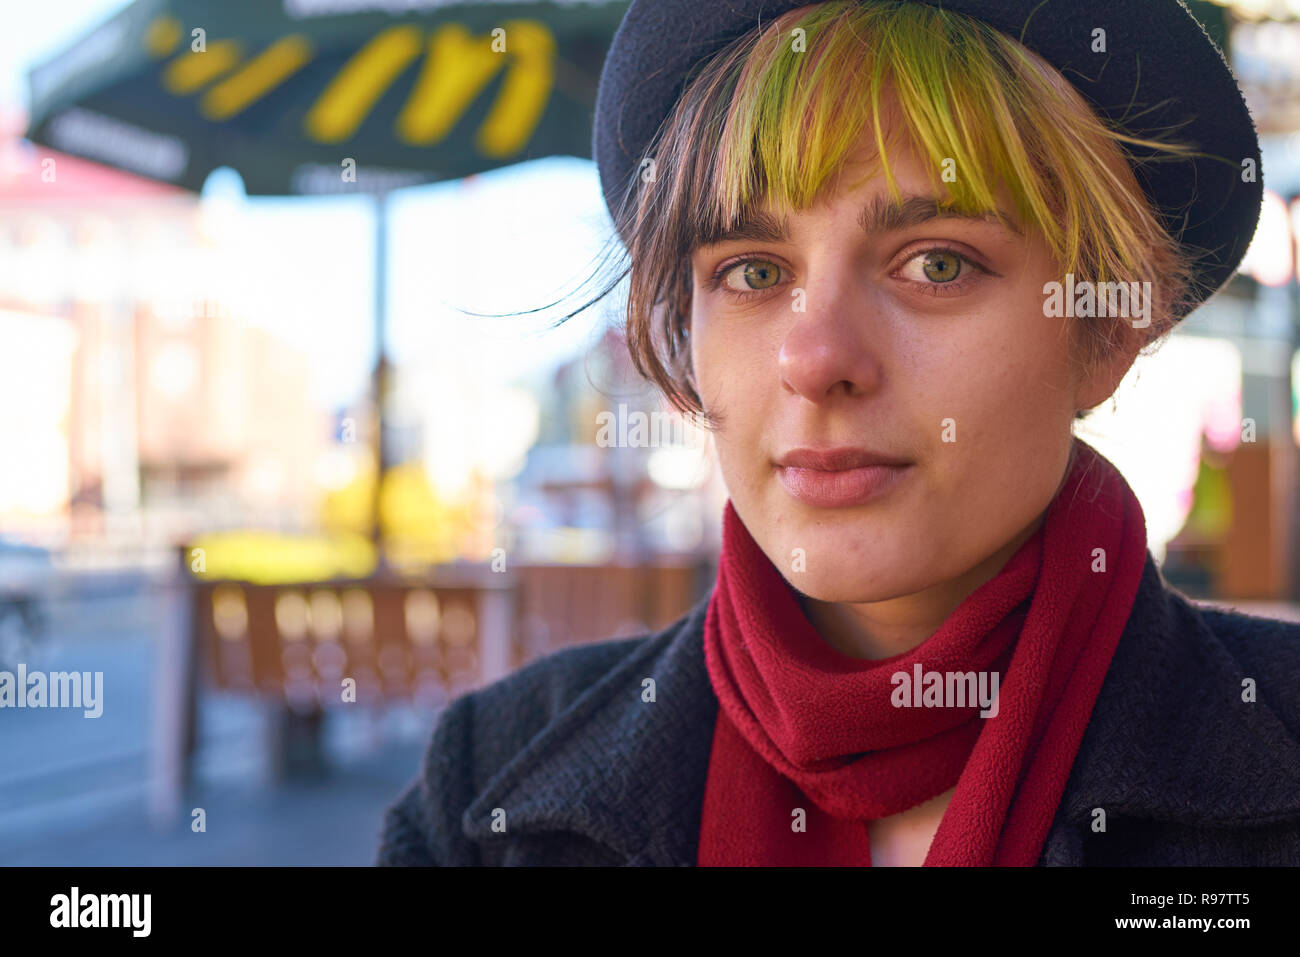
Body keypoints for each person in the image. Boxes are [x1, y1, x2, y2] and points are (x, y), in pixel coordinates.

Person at [377, 0, 1300, 866]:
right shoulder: (483, 788)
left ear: (1103, 330)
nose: (815, 357)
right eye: (750, 271)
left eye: (937, 262)